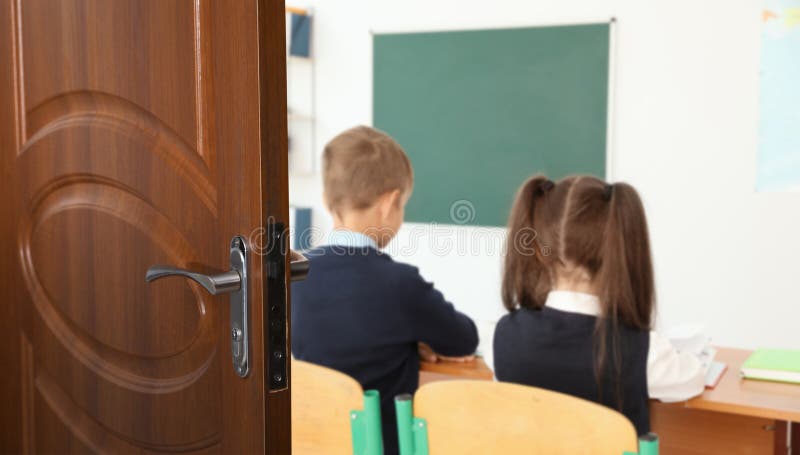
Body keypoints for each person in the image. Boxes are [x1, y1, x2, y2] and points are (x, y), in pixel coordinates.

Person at [292, 126, 478, 453]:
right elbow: (464, 338)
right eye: (403, 205)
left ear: (326, 201)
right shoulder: (400, 285)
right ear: (389, 203)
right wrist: (415, 337)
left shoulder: (295, 276)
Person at [493, 175, 704, 436]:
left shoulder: (504, 337)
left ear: (538, 250)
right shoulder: (645, 353)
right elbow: (693, 378)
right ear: (616, 252)